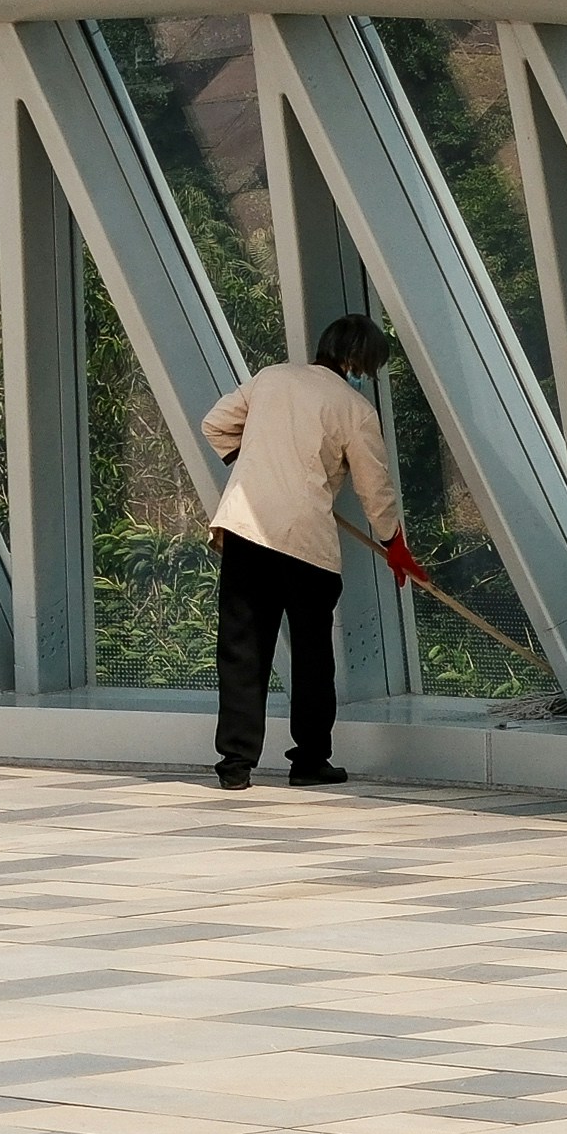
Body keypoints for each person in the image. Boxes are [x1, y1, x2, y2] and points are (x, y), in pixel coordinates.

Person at [202, 313, 405, 789]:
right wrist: (394, 542)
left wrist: (256, 463)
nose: (366, 378)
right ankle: (310, 760)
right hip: (305, 542)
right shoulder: (354, 410)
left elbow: (215, 425)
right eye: (368, 368)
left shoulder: (271, 378)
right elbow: (375, 490)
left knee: (241, 648)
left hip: (246, 526)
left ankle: (235, 763)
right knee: (312, 655)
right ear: (356, 360)